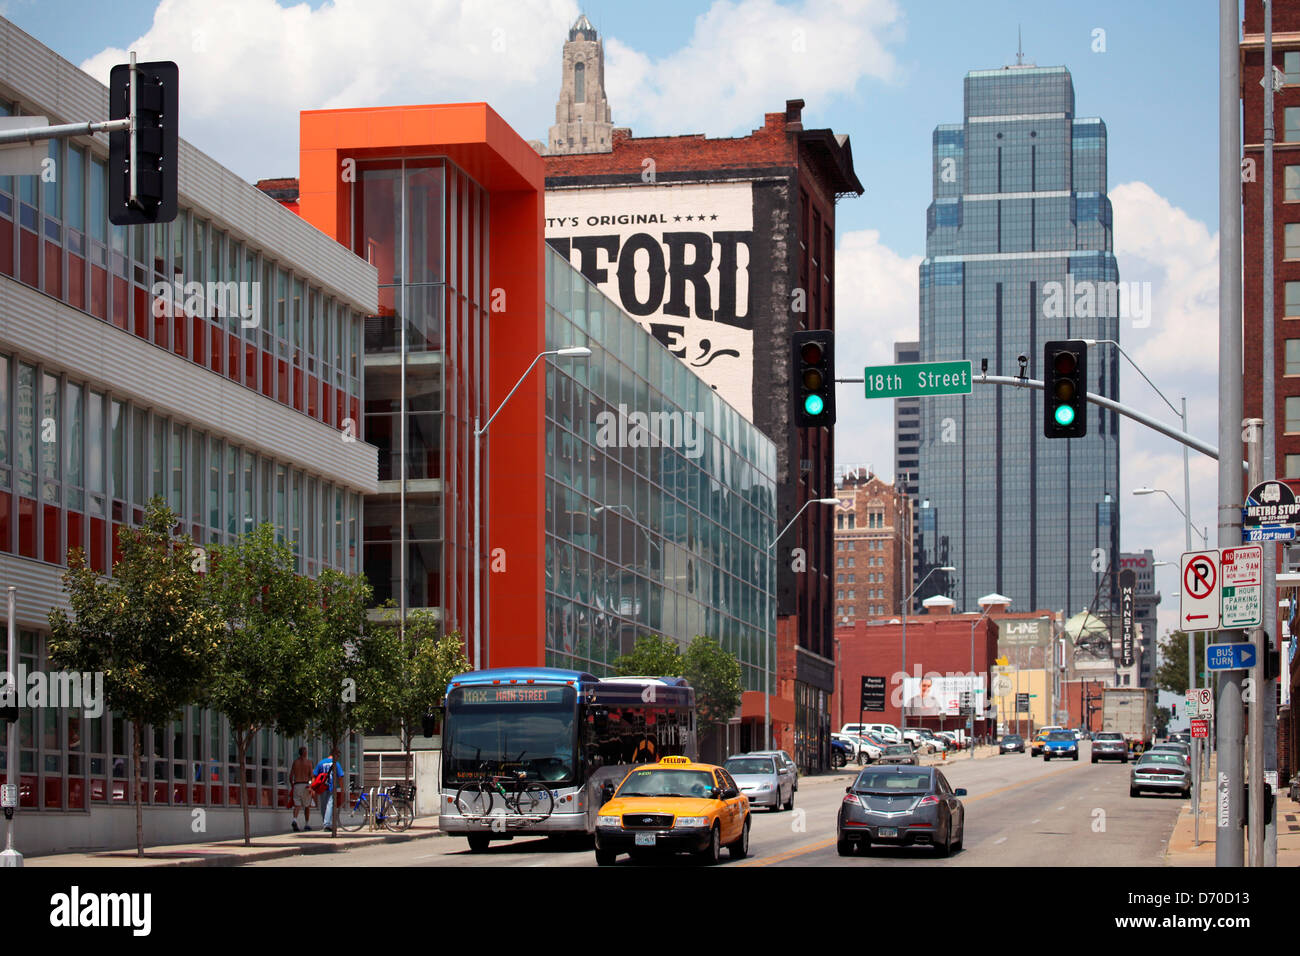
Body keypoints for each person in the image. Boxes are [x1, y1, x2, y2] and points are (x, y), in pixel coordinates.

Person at [313, 748, 344, 830]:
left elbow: (314, 775)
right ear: (335, 754)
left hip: (322, 787)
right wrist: (342, 789)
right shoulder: (336, 763)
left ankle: (325, 822)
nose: (338, 757)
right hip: (331, 786)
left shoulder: (321, 762)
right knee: (330, 804)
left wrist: (313, 787)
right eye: (338, 755)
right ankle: (327, 824)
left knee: (323, 805)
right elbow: (340, 777)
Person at [290, 746, 314, 832]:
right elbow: (312, 776)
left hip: (297, 784)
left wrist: (292, 785)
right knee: (306, 806)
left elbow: (291, 776)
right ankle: (307, 824)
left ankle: (295, 819)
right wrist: (311, 786)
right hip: (305, 785)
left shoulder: (295, 762)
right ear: (305, 753)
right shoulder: (308, 763)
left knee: (297, 805)